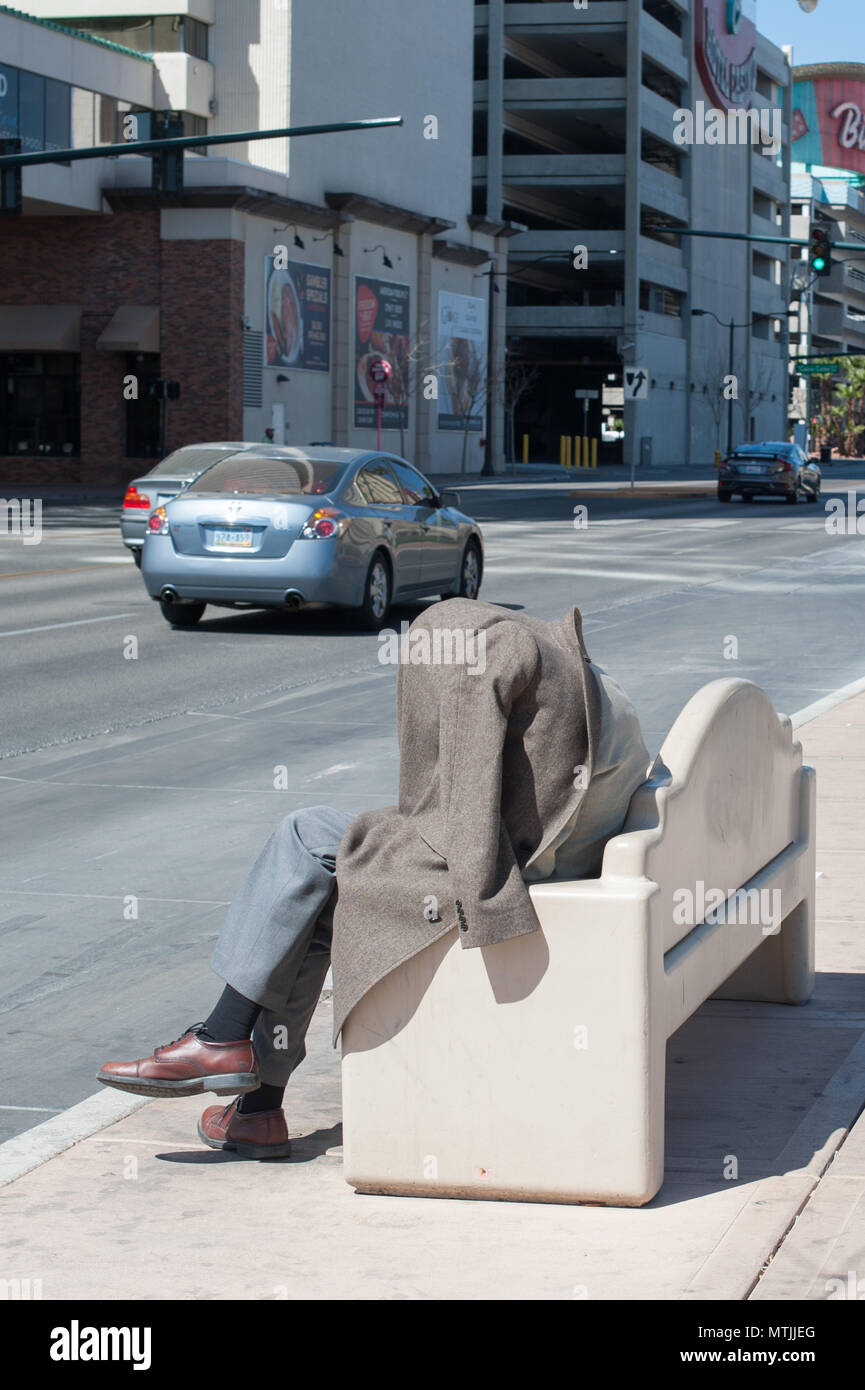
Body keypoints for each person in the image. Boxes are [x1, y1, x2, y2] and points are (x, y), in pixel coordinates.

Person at [98, 600, 651, 1159]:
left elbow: (464, 817)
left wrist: (477, 900)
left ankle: (229, 1051)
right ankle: (252, 1102)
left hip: (520, 877)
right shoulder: (572, 672)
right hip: (571, 862)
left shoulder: (482, 667)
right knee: (326, 878)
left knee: (305, 838)